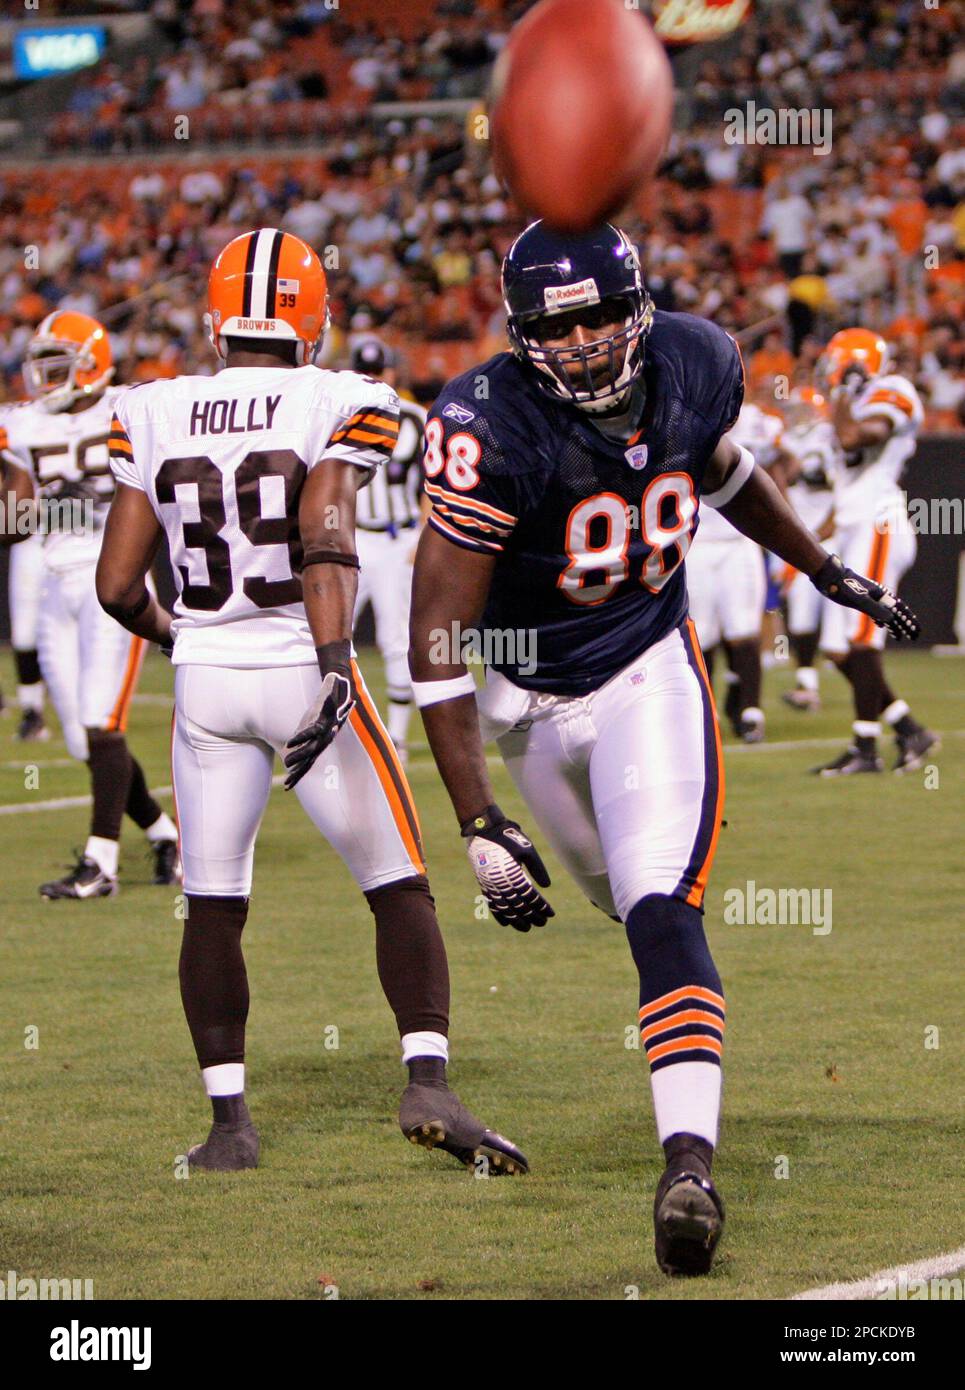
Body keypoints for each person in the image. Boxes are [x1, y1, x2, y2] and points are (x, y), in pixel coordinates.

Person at [407, 221, 920, 1276]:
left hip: (646, 665)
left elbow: (721, 469)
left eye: (601, 315)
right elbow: (434, 645)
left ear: (636, 309)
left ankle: (686, 1164)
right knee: (610, 900)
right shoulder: (486, 421)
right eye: (562, 325)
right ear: (520, 333)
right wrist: (473, 823)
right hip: (532, 701)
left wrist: (819, 568)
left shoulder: (696, 359)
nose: (588, 341)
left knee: (657, 906)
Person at [95, 227, 526, 1176]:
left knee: (213, 902)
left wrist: (187, 641)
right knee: (396, 881)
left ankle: (228, 1127)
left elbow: (117, 585)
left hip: (205, 680)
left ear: (218, 321)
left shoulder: (151, 407)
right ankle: (426, 1081)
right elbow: (326, 530)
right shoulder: (341, 397)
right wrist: (333, 661)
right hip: (303, 658)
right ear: (314, 318)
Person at [0, 312, 180, 897]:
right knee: (84, 740)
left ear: (90, 364)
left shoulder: (131, 406)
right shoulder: (23, 424)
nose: (43, 378)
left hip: (115, 583)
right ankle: (165, 836)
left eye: (57, 365)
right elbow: (17, 510)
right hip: (55, 584)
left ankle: (100, 865)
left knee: (103, 723)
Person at [813, 329, 937, 774]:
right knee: (838, 648)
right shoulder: (849, 401)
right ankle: (908, 730)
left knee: (864, 636)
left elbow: (852, 438)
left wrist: (845, 389)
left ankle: (866, 749)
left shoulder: (893, 391)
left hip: (879, 522)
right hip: (853, 525)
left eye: (835, 362)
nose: (827, 371)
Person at [349, 339, 426, 763]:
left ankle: (396, 736)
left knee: (395, 638)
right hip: (356, 537)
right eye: (368, 372)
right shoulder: (339, 416)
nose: (376, 381)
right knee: (326, 630)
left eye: (380, 372)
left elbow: (437, 480)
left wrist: (423, 533)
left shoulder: (413, 419)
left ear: (392, 373)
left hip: (398, 538)